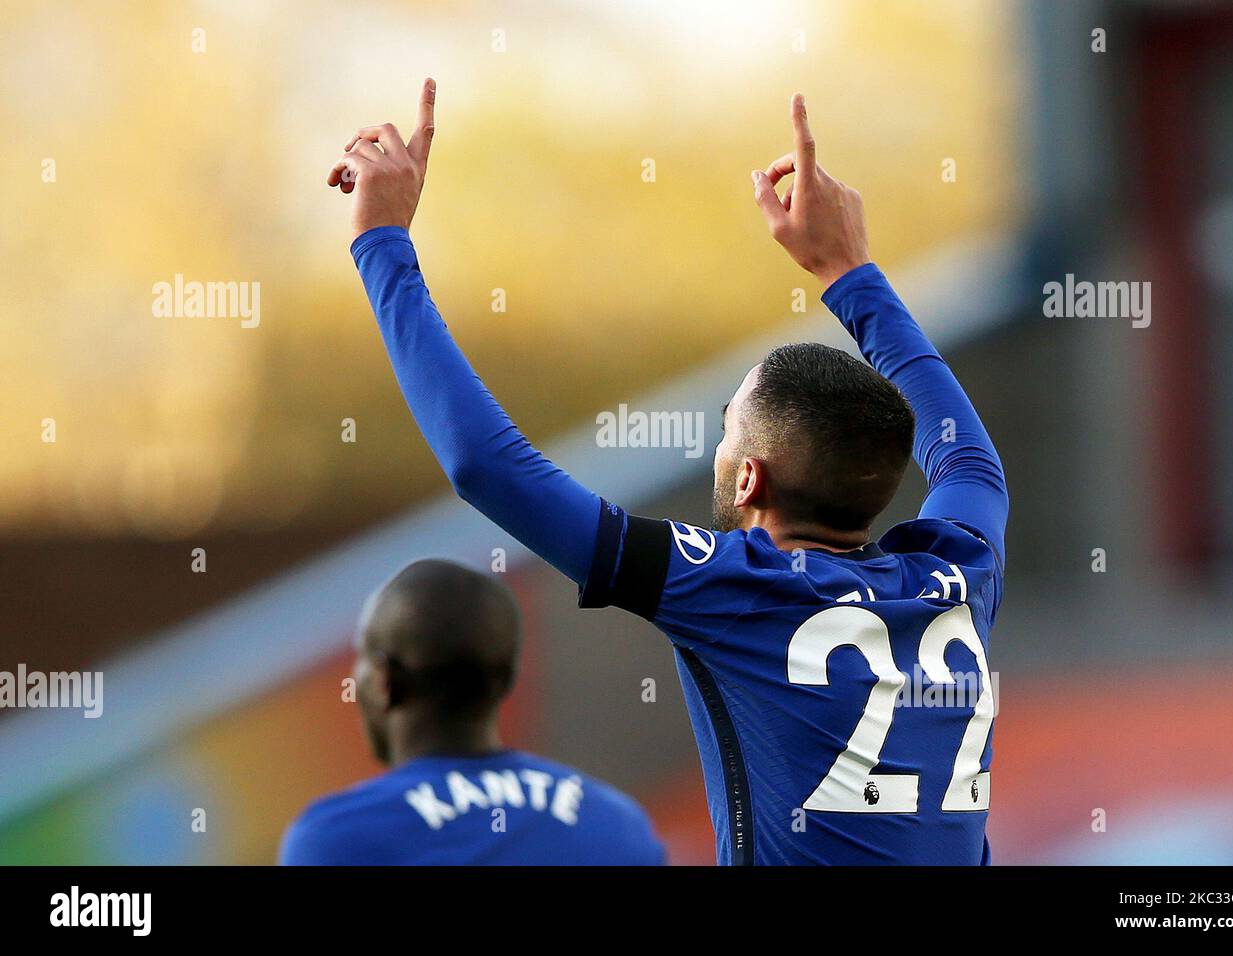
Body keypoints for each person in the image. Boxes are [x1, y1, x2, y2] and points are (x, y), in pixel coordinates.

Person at [325, 80, 1008, 865]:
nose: (716, 450)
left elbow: (487, 466)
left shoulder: (735, 586)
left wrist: (381, 242)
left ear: (749, 480)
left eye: (726, 433)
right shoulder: (959, 570)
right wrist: (849, 270)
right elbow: (969, 460)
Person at [280, 559, 665, 865]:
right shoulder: (617, 825)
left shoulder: (338, 839)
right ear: (507, 677)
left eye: (362, 656)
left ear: (384, 681)